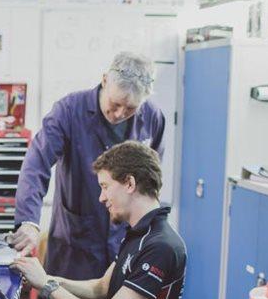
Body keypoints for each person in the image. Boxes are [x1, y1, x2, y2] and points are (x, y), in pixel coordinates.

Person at [9, 52, 166, 283]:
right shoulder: (69, 110)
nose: (120, 114)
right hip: (77, 239)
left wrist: (153, 232)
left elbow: (153, 181)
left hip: (127, 238)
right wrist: (29, 221)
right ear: (105, 81)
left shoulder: (153, 117)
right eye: (115, 104)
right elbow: (36, 164)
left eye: (130, 108)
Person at [12, 141, 186, 299]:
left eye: (105, 186)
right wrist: (41, 278)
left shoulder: (160, 246)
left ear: (129, 183)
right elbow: (101, 288)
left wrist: (47, 284)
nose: (101, 197)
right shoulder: (138, 234)